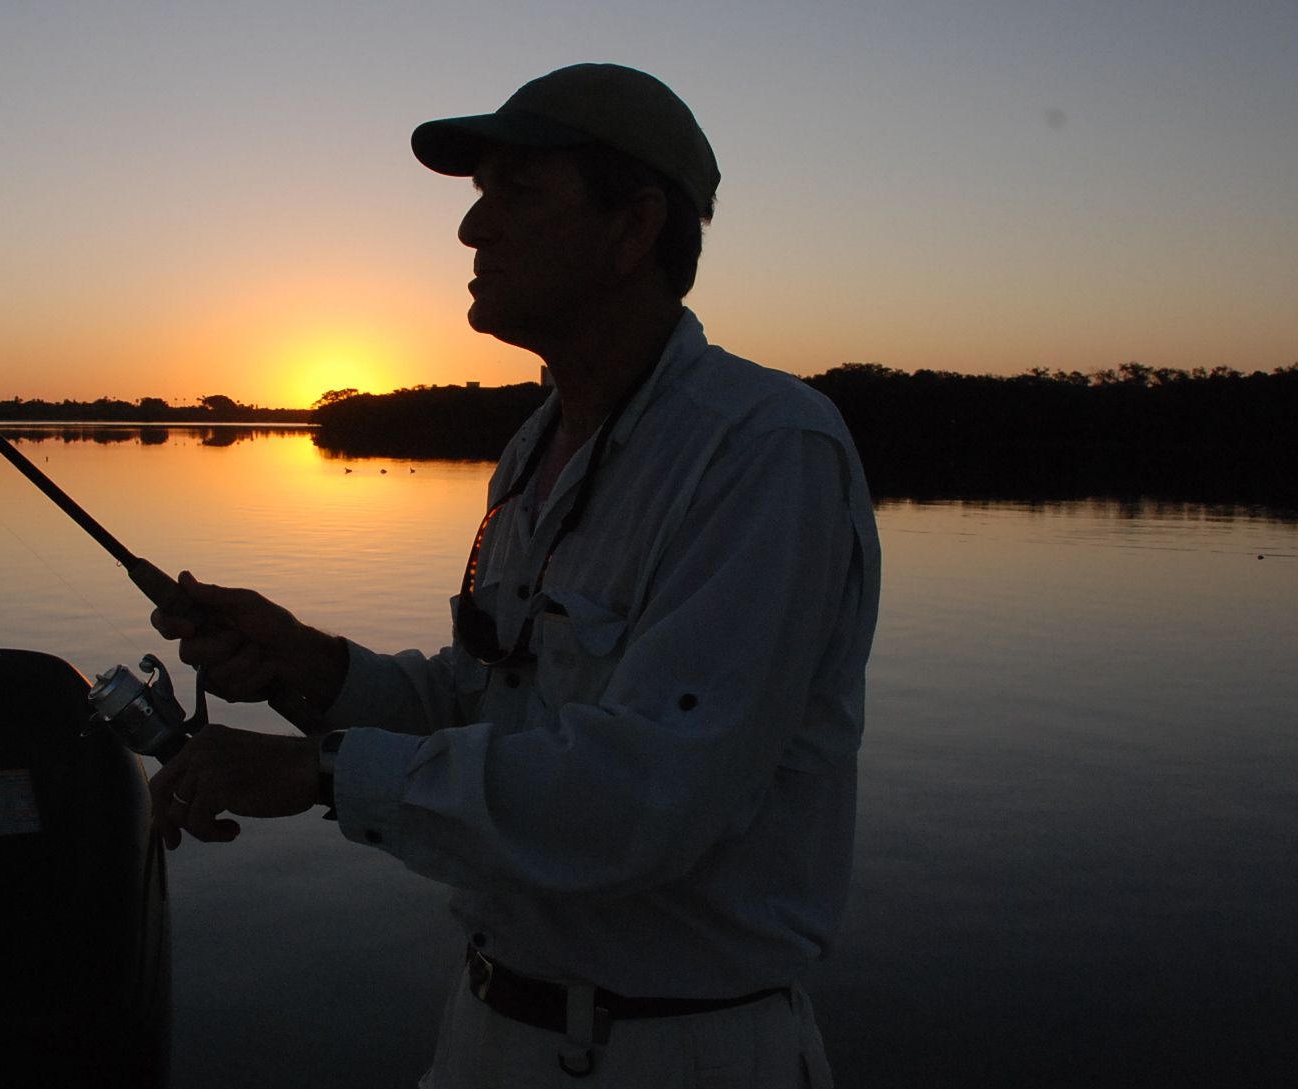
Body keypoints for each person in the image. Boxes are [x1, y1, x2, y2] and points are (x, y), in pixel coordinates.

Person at [148, 62, 880, 1088]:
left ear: (633, 227)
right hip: (489, 1028)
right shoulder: (537, 449)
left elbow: (644, 794)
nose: (470, 231)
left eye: (518, 194)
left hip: (680, 1052)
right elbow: (484, 703)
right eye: (478, 195)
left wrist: (318, 771)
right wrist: (307, 668)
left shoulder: (764, 451)